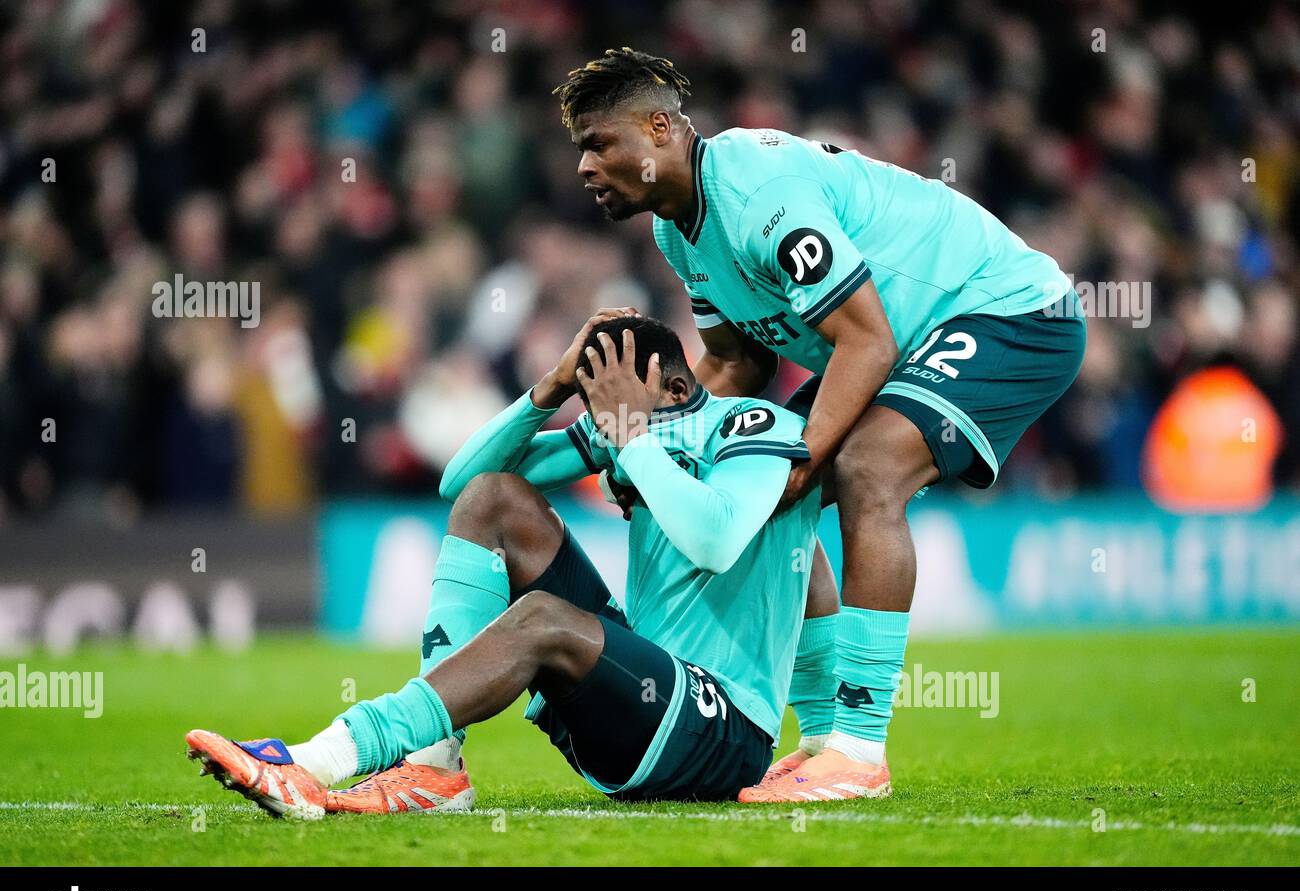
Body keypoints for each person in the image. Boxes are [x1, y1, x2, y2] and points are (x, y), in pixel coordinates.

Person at [553, 48, 1087, 801]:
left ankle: (861, 752)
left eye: (598, 142)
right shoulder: (679, 230)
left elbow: (867, 338)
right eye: (579, 147)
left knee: (864, 466)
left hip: (1007, 308)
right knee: (760, 480)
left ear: (661, 127)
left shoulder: (759, 197)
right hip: (899, 340)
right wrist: (660, 444)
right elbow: (737, 364)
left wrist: (801, 455)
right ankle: (822, 739)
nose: (583, 164)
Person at [185, 315, 825, 817]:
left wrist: (632, 438)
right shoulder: (625, 431)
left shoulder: (754, 426)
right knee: (495, 501)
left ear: (680, 388)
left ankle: (321, 758)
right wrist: (549, 390)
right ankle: (431, 767)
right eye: (597, 401)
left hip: (723, 735)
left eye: (615, 399)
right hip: (638, 705)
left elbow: (714, 539)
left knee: (543, 618)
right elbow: (462, 482)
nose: (603, 418)